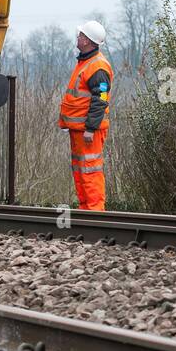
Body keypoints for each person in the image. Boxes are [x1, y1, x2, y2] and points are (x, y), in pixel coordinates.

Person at [58, 20, 113, 210]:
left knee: (90, 170)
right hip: (79, 130)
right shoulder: (86, 62)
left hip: (88, 131)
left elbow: (101, 100)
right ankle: (86, 211)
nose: (78, 37)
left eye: (81, 35)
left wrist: (91, 128)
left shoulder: (97, 67)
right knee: (81, 170)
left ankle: (95, 212)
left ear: (88, 41)